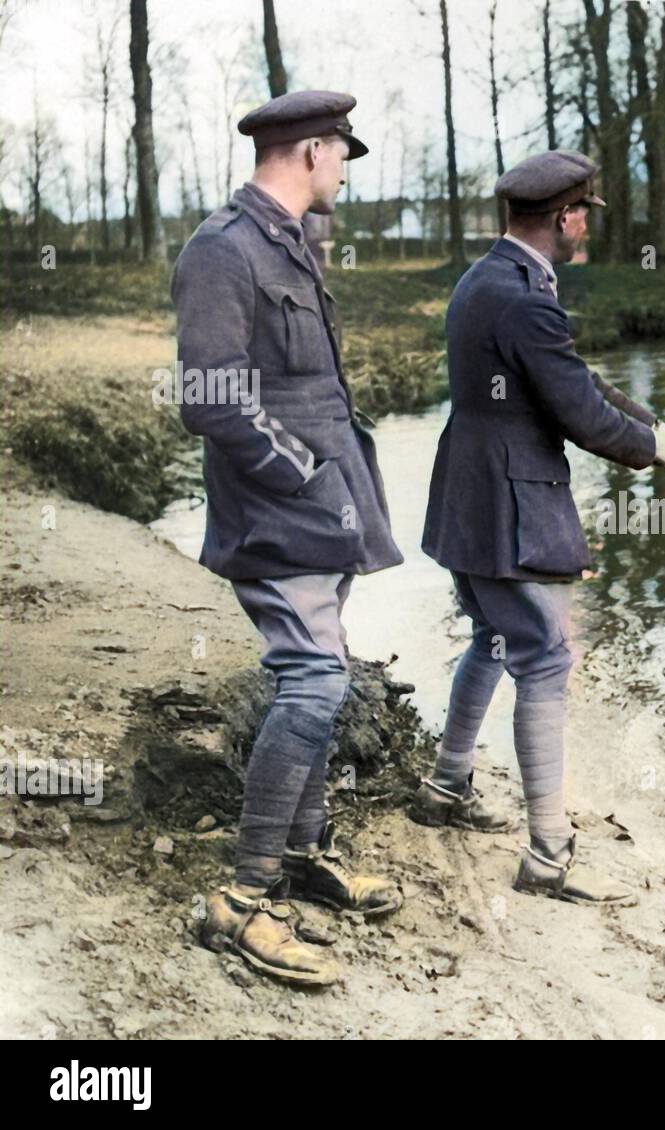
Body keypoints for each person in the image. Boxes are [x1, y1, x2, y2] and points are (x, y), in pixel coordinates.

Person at [411, 149, 665, 907]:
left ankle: (446, 786)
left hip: (465, 498)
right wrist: (651, 451)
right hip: (511, 503)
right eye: (584, 216)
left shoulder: (487, 279)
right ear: (565, 217)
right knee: (543, 657)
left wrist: (658, 428)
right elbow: (577, 412)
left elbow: (576, 381)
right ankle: (547, 854)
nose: (586, 229)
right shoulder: (526, 299)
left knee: (492, 635)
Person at [171, 90, 404, 985]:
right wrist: (305, 479)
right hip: (281, 509)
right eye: (341, 150)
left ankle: (303, 854)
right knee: (314, 680)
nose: (344, 166)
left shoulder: (288, 242)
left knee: (322, 668)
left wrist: (336, 482)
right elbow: (213, 398)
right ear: (311, 150)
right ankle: (245, 894)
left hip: (326, 501)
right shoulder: (223, 250)